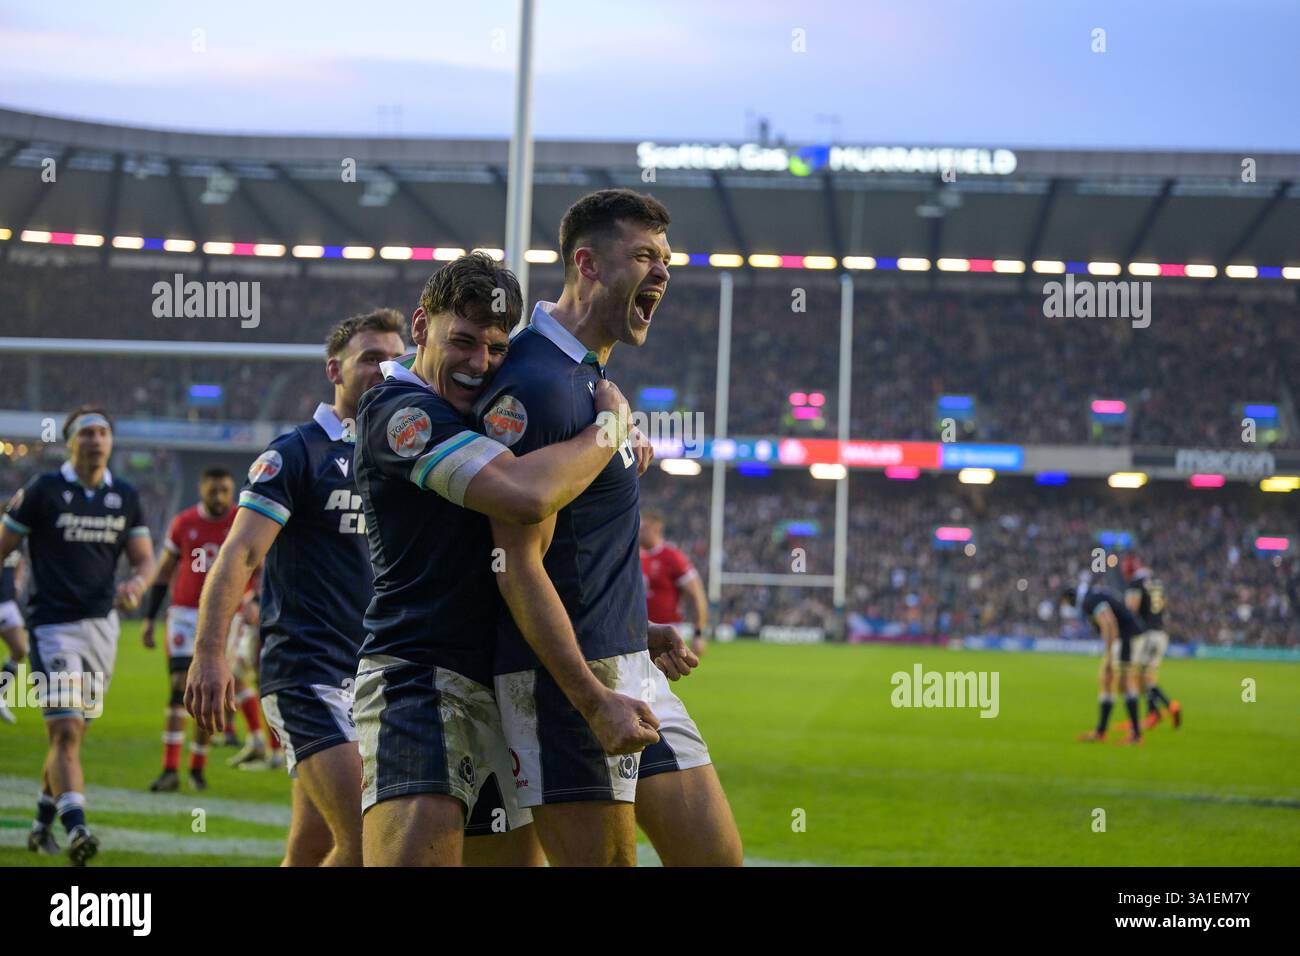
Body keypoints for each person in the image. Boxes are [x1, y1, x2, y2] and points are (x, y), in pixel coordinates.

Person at [354, 252, 659, 865]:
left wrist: (640, 628)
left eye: (495, 350)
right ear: (420, 326)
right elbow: (524, 498)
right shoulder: (399, 413)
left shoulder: (482, 414)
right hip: (423, 677)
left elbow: (517, 558)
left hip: (503, 683)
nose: (477, 365)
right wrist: (609, 430)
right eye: (462, 342)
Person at [477, 189, 742, 865]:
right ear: (588, 265)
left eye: (668, 259)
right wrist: (591, 698)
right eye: (646, 256)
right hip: (568, 680)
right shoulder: (536, 383)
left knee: (715, 857)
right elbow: (517, 563)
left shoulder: (590, 382)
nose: (664, 273)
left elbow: (583, 544)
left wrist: (635, 626)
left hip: (625, 657)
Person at [186, 310, 406, 866]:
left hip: (374, 675)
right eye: (371, 358)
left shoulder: (403, 453)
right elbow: (240, 553)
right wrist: (211, 654)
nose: (386, 369)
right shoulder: (295, 454)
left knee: (311, 848)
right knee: (364, 842)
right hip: (307, 671)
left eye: (396, 358)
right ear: (335, 368)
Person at [0, 406, 154, 864]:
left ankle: (40, 825)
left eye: (104, 432)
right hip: (52, 627)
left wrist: (136, 585)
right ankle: (78, 830)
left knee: (71, 736)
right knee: (65, 730)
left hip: (103, 629)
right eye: (86, 433)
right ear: (70, 442)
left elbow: (144, 559)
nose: (96, 439)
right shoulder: (43, 491)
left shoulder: (125, 495)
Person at [1062, 583, 1145, 746]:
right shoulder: (1091, 597)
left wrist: (1108, 656)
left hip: (1126, 637)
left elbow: (1109, 623)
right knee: (1106, 681)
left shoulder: (1089, 601)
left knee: (1124, 683)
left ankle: (1135, 734)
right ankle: (1101, 732)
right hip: (1124, 637)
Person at [640, 509, 709, 656]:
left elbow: (696, 594)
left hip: (667, 633)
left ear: (656, 528)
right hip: (639, 631)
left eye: (643, 528)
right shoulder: (634, 556)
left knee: (658, 677)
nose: (638, 532)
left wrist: (698, 634)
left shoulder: (672, 557)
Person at [1124, 565, 1181, 731]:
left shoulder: (1136, 583)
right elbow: (1164, 604)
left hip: (1148, 634)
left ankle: (1169, 706)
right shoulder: (1157, 583)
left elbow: (1132, 607)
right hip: (1162, 634)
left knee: (1137, 676)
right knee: (1148, 676)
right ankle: (1153, 713)